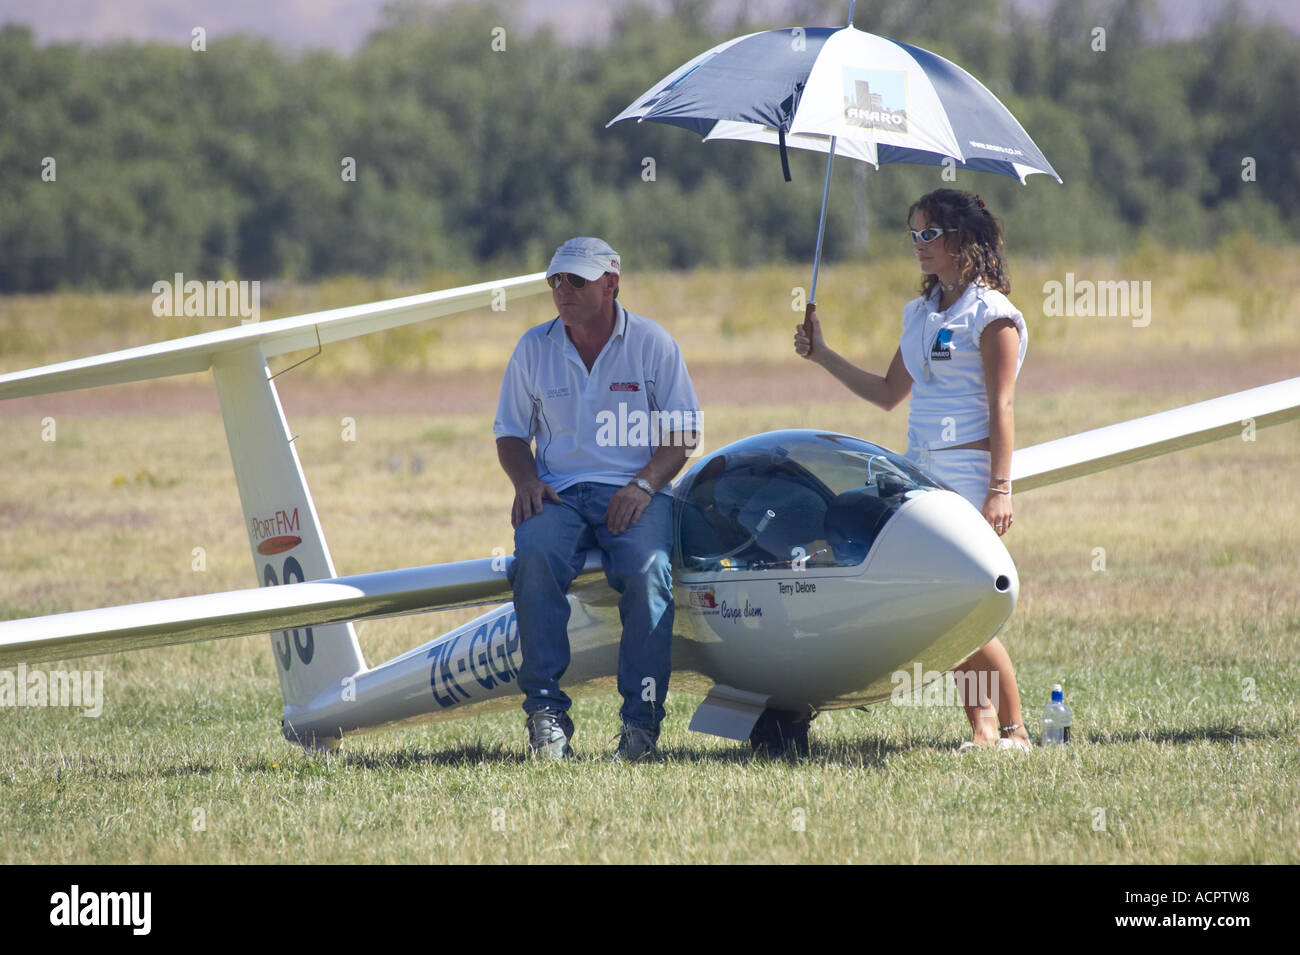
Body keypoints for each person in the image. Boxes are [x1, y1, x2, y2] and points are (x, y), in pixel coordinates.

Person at [793, 188, 1033, 751]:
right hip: (917, 473)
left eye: (931, 234)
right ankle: (980, 729)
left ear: (963, 240)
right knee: (941, 605)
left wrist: (1001, 488)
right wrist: (822, 354)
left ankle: (1015, 728)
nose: (920, 246)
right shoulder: (920, 313)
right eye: (915, 234)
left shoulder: (993, 315)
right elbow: (886, 394)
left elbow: (1002, 407)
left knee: (965, 600)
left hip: (971, 472)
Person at [494, 237, 700, 760]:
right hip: (557, 495)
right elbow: (511, 436)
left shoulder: (654, 344)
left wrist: (644, 486)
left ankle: (641, 727)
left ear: (611, 283)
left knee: (650, 572)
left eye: (576, 281)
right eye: (555, 281)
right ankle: (545, 716)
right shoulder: (532, 347)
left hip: (636, 491)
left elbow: (682, 435)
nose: (562, 291)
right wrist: (526, 482)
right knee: (535, 559)